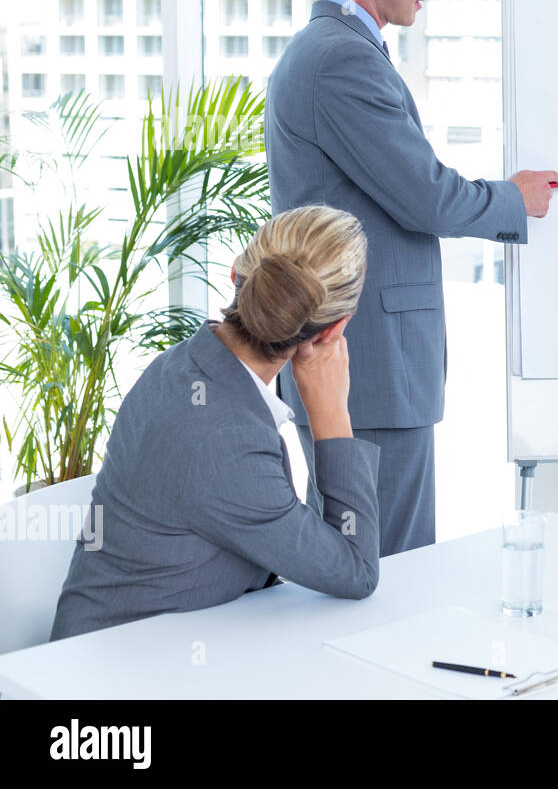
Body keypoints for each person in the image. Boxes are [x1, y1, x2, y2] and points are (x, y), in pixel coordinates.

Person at [265, 0, 558, 556]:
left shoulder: (334, 49)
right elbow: (424, 195)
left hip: (357, 361)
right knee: (386, 571)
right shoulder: (340, 59)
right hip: (366, 364)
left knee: (362, 563)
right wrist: (516, 199)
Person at [51, 206, 380, 641]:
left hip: (139, 644)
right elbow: (354, 570)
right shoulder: (229, 438)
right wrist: (331, 415)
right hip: (124, 671)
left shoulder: (179, 365)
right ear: (333, 330)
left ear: (235, 275)